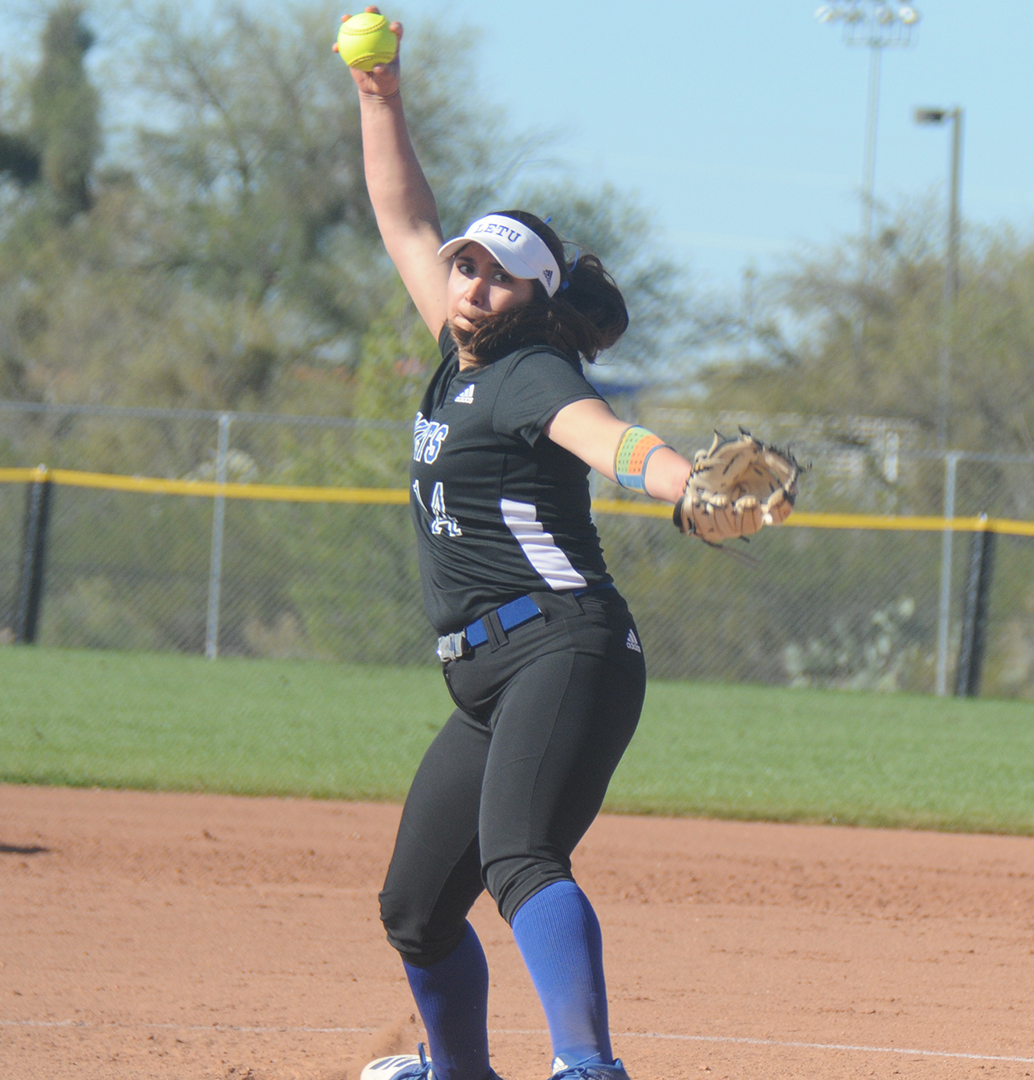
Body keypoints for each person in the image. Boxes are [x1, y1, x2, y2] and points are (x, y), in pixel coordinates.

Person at [343, 9, 777, 1080]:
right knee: (415, 907)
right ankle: (460, 1073)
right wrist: (380, 95)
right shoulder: (459, 351)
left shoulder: (531, 370)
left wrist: (687, 486)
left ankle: (589, 1067)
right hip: (487, 675)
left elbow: (610, 441)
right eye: (466, 267)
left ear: (536, 296)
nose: (471, 281)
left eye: (497, 272)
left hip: (564, 650)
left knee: (522, 856)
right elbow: (404, 219)